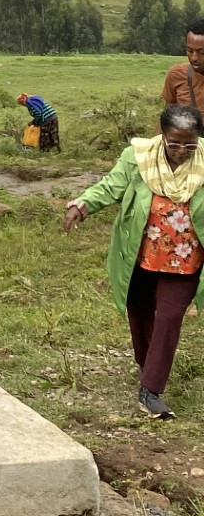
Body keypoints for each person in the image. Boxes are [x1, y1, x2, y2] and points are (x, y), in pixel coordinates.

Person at [63, 103, 204, 418]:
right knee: (139, 310)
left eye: (190, 143)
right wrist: (82, 205)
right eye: (175, 142)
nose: (182, 150)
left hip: (185, 259)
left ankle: (150, 390)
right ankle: (147, 362)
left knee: (169, 317)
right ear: (162, 134)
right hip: (140, 252)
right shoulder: (138, 158)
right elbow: (110, 187)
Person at [162, 20, 204, 114]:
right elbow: (167, 121)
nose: (194, 58)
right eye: (190, 51)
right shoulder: (176, 75)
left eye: (201, 52)